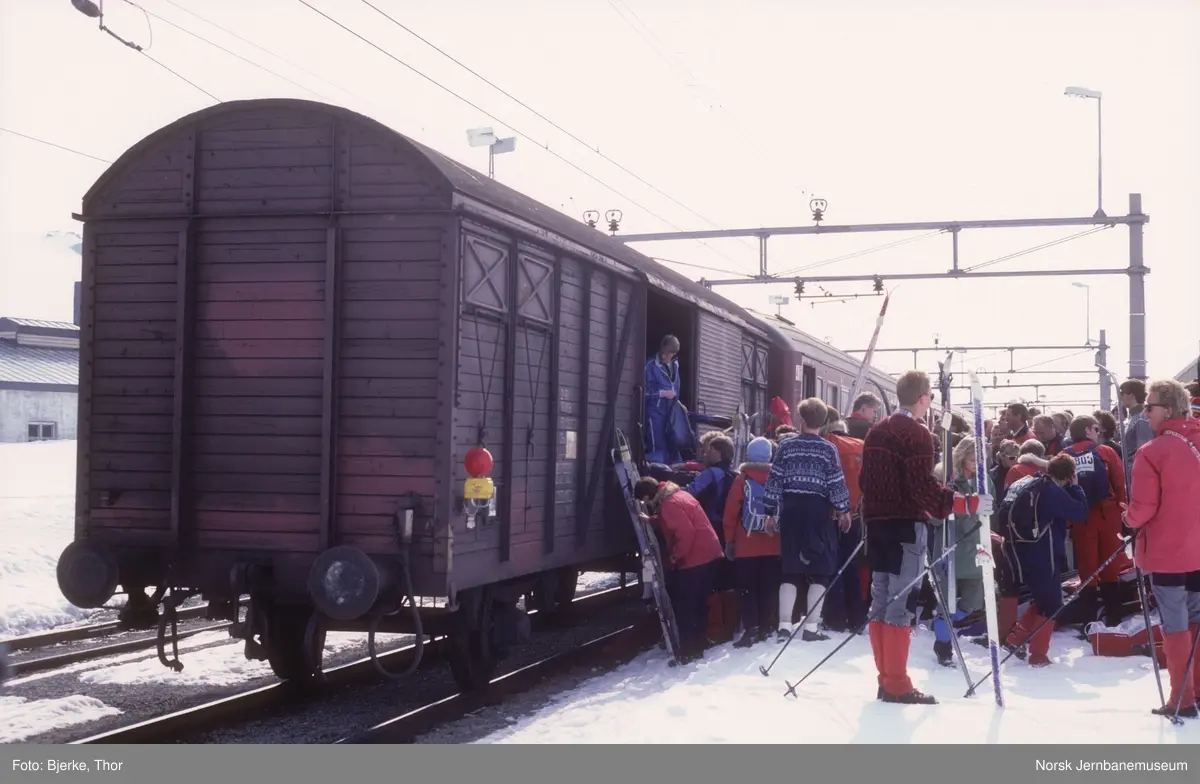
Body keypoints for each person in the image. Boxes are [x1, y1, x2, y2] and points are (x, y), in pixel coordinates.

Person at [861, 370, 964, 705]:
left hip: (876, 525)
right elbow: (921, 487)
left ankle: (886, 678)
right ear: (922, 398)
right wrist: (955, 502)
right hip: (905, 526)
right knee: (901, 602)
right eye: (930, 396)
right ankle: (897, 683)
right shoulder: (917, 433)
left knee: (880, 599)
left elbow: (865, 480)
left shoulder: (877, 429)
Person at [1123, 379, 1200, 718]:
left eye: (1149, 407)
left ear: (1167, 410)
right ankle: (1195, 690)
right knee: (1196, 617)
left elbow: (1143, 509)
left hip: (1168, 552)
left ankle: (1182, 699)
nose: (1145, 414)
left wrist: (1127, 518)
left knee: (1175, 624)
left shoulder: (1152, 452)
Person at [762, 398, 851, 643]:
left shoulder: (786, 446)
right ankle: (811, 628)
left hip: (791, 511)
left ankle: (784, 626)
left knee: (790, 568)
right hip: (818, 513)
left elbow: (774, 480)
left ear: (801, 419)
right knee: (821, 569)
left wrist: (769, 512)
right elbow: (836, 483)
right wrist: (844, 510)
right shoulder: (828, 449)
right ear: (823, 422)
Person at [1000, 454, 1091, 667]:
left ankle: (1015, 639)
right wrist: (1076, 488)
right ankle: (1038, 655)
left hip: (1019, 549)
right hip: (1043, 552)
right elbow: (1080, 512)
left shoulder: (1029, 482)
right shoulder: (1052, 491)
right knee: (1052, 603)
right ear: (1069, 476)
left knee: (1043, 599)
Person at [633, 477, 724, 663]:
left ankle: (688, 651)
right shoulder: (678, 495)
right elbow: (676, 518)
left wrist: (675, 556)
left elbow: (685, 533)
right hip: (710, 553)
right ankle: (699, 643)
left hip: (695, 557)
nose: (647, 505)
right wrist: (653, 520)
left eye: (645, 501)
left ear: (648, 495)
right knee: (699, 602)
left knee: (685, 606)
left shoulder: (669, 504)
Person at [1060, 414, 1131, 627]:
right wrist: (1124, 514)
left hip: (1081, 517)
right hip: (1108, 515)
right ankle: (1114, 616)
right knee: (1111, 566)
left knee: (1087, 569)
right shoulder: (1106, 452)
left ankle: (1088, 619)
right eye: (1096, 430)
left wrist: (1068, 522)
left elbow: (1060, 490)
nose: (1098, 434)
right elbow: (1120, 484)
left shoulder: (1064, 456)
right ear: (1088, 430)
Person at [721, 436, 781, 648]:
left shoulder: (742, 479)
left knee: (747, 589)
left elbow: (731, 513)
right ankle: (766, 627)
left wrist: (729, 541)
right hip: (773, 543)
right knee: (768, 587)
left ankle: (751, 630)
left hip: (746, 545)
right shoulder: (777, 478)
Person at [820, 406, 868, 634]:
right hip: (855, 514)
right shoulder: (860, 445)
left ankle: (835, 618)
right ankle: (857, 617)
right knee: (852, 565)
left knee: (833, 565)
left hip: (831, 514)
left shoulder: (826, 445)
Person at [684, 434, 736, 547]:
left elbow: (690, 492)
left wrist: (670, 489)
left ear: (718, 452)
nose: (705, 454)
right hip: (730, 525)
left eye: (710, 450)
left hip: (710, 523)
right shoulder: (736, 474)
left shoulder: (711, 473)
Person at [644, 334, 682, 465]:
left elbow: (676, 388)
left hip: (671, 413)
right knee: (657, 447)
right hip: (655, 413)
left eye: (668, 354)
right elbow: (644, 392)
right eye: (663, 353)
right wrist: (662, 393)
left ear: (674, 354)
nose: (664, 356)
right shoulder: (650, 365)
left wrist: (678, 402)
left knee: (673, 445)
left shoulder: (675, 366)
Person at [1119, 379, 1155, 493]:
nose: (1120, 397)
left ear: (1131, 395)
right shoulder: (1133, 417)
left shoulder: (1142, 418)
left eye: (1122, 393)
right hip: (1131, 471)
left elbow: (1144, 450)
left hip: (1138, 474)